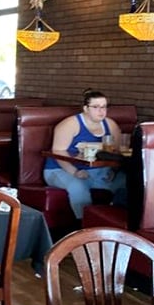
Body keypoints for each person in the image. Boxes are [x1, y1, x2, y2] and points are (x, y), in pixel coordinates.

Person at [43, 89, 127, 222]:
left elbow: (115, 152)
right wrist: (75, 172)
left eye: (104, 107)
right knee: (78, 187)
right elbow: (57, 152)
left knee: (126, 181)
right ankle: (84, 226)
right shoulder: (69, 124)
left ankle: (117, 223)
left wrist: (114, 170)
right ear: (86, 108)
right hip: (60, 170)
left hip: (98, 171)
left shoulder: (110, 125)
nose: (101, 111)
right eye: (96, 107)